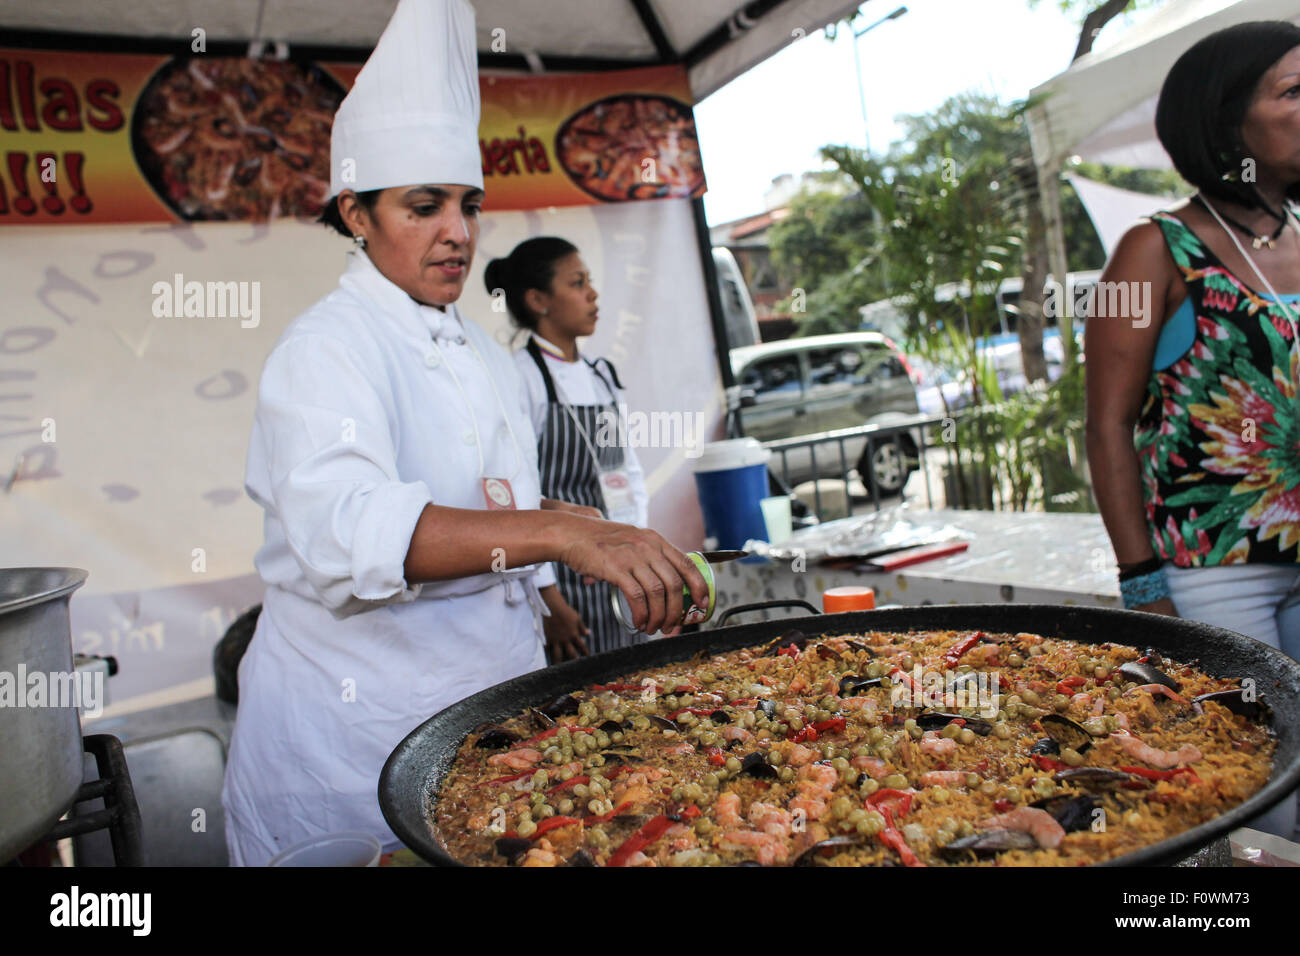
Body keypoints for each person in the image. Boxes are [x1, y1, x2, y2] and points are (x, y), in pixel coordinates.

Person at [220, 0, 707, 866]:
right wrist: (562, 534)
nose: (458, 230)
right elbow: (349, 534)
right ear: (357, 213)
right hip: (357, 735)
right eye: (423, 205)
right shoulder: (325, 350)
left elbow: (503, 506)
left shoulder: (476, 351)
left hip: (488, 710)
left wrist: (603, 536)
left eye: (467, 204)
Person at [1085, 20, 1300, 840]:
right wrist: (1142, 585)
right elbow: (1103, 425)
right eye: (1292, 91)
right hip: (1215, 574)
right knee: (1260, 795)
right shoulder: (1148, 251)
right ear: (1225, 121)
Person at [484, 238, 653, 659]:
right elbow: (516, 497)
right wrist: (550, 601)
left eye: (589, 281)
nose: (592, 294)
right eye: (577, 283)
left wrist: (638, 550)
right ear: (539, 300)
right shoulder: (522, 377)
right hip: (564, 582)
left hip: (619, 569)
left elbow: (627, 473)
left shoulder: (602, 375)